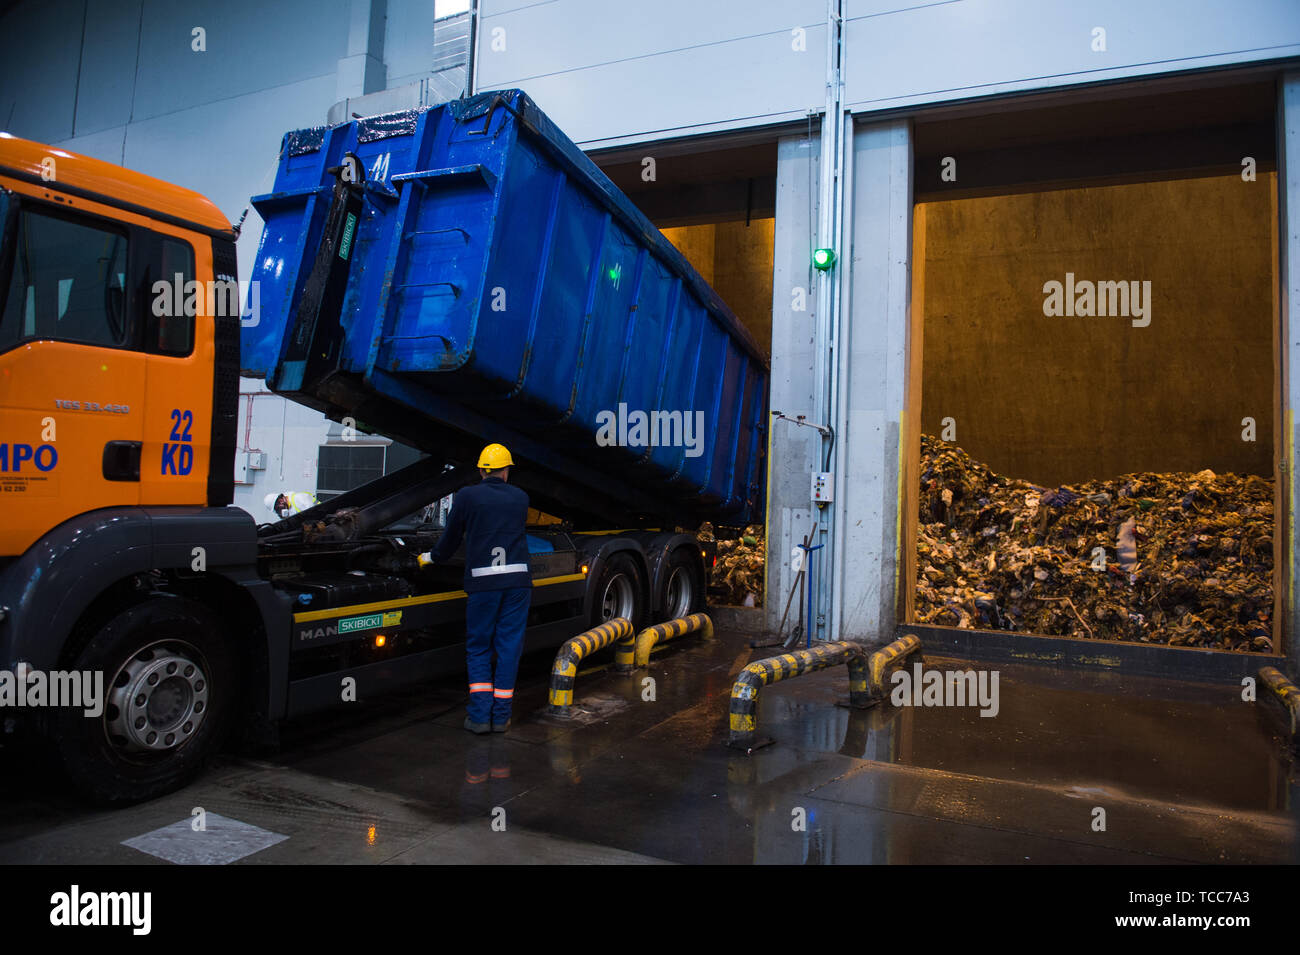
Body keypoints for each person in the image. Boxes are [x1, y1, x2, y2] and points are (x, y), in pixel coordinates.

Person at [425, 443, 532, 734]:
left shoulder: (467, 496)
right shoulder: (521, 498)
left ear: (482, 469)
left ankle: (480, 717)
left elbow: (451, 537)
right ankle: (502, 717)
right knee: (509, 647)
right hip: (517, 582)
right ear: (506, 469)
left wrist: (432, 557)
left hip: (484, 583)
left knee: (479, 647)